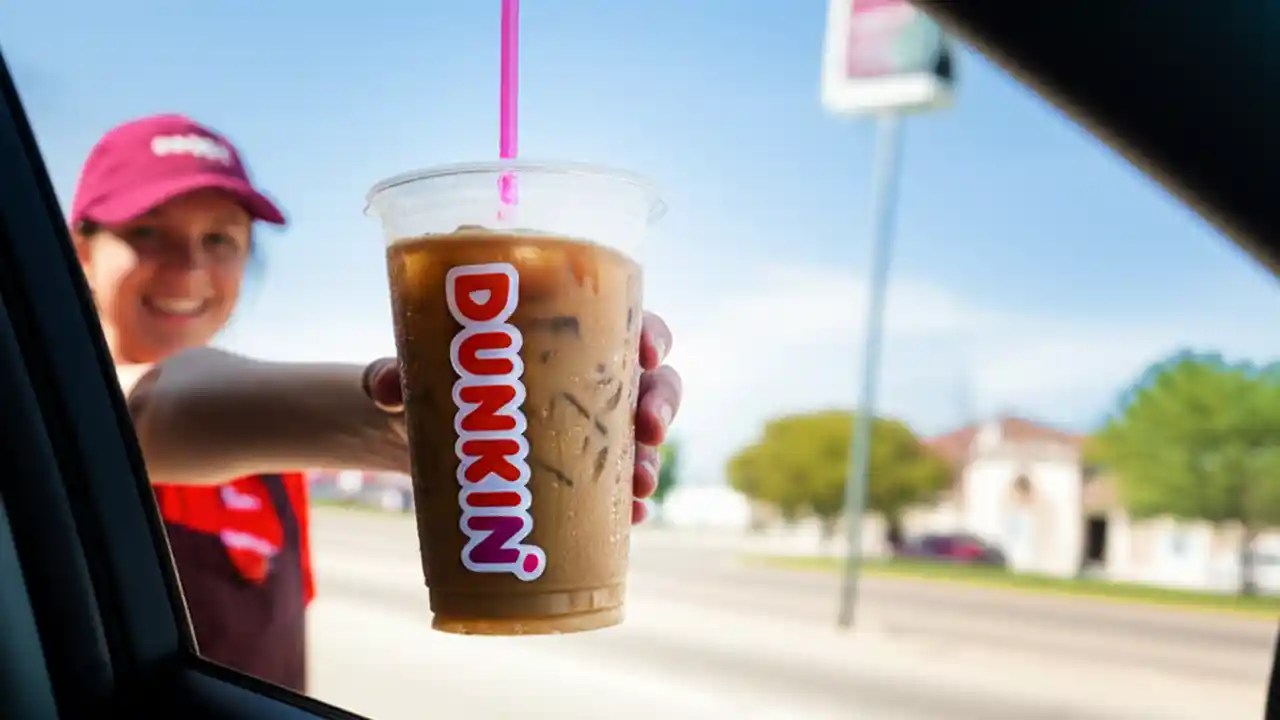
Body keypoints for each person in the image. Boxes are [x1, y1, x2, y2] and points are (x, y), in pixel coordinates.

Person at [69, 113, 683, 692]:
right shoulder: (53, 414)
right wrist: (424, 405)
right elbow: (148, 409)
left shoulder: (277, 474)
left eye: (220, 238)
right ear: (81, 251)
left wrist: (468, 428)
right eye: (147, 232)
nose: (189, 268)